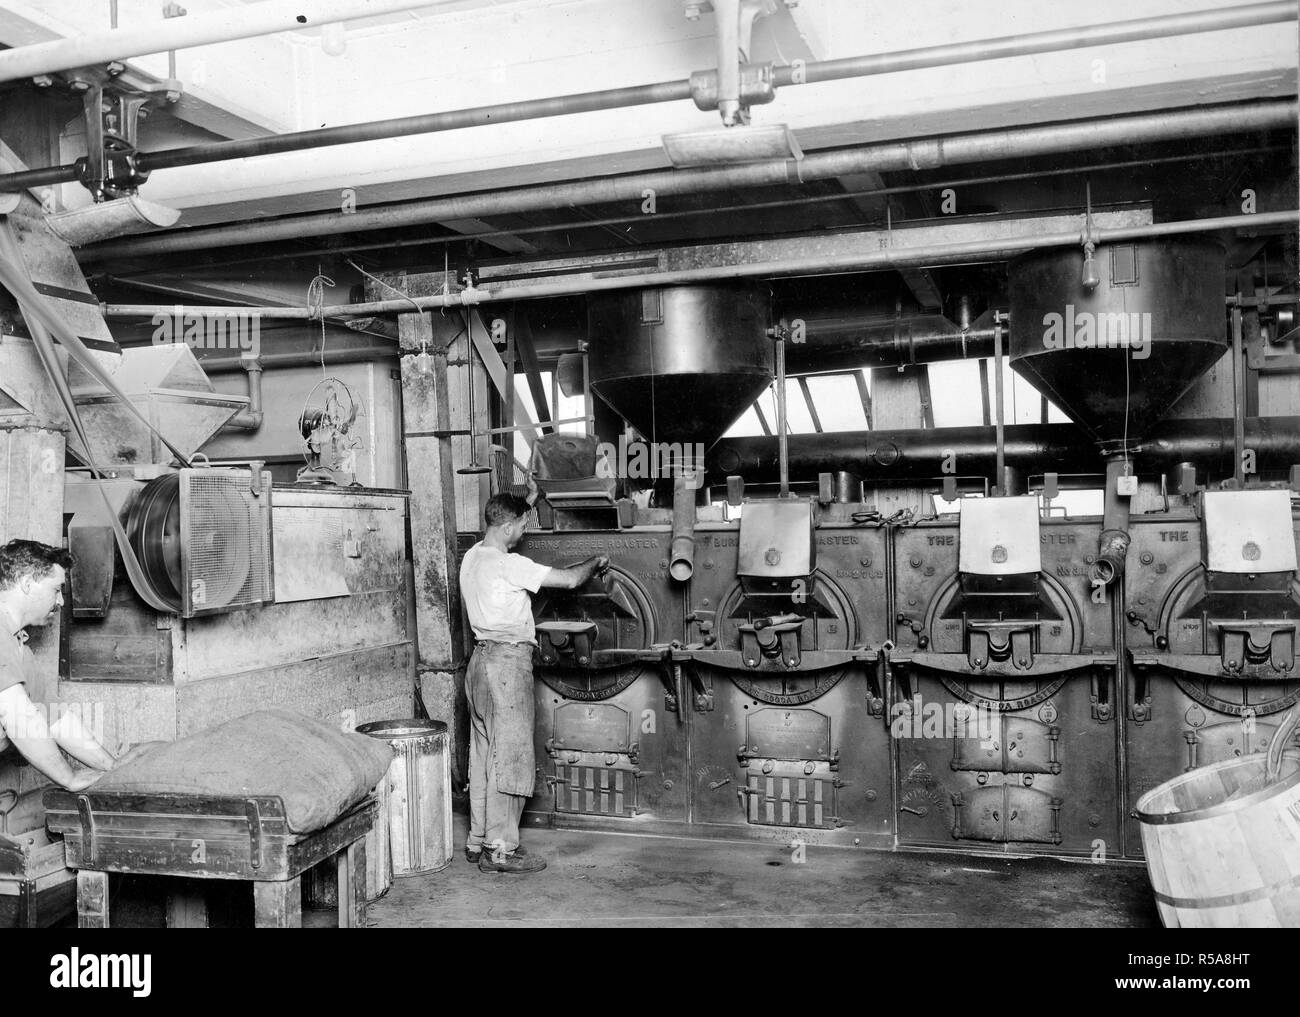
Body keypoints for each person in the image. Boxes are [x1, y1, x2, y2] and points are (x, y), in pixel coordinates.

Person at [458, 478, 609, 874]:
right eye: (523, 526)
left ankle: (478, 842)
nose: (525, 532)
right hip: (506, 666)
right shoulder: (511, 565)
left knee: (483, 755)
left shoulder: (473, 557)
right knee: (510, 756)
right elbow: (571, 580)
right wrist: (596, 560)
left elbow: (507, 517)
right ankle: (501, 849)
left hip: (478, 663)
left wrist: (529, 500)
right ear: (507, 528)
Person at [0, 539, 118, 790]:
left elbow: (56, 719)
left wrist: (114, 770)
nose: (61, 601)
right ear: (28, 584)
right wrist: (70, 778)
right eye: (56, 589)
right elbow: (19, 717)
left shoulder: (18, 646)